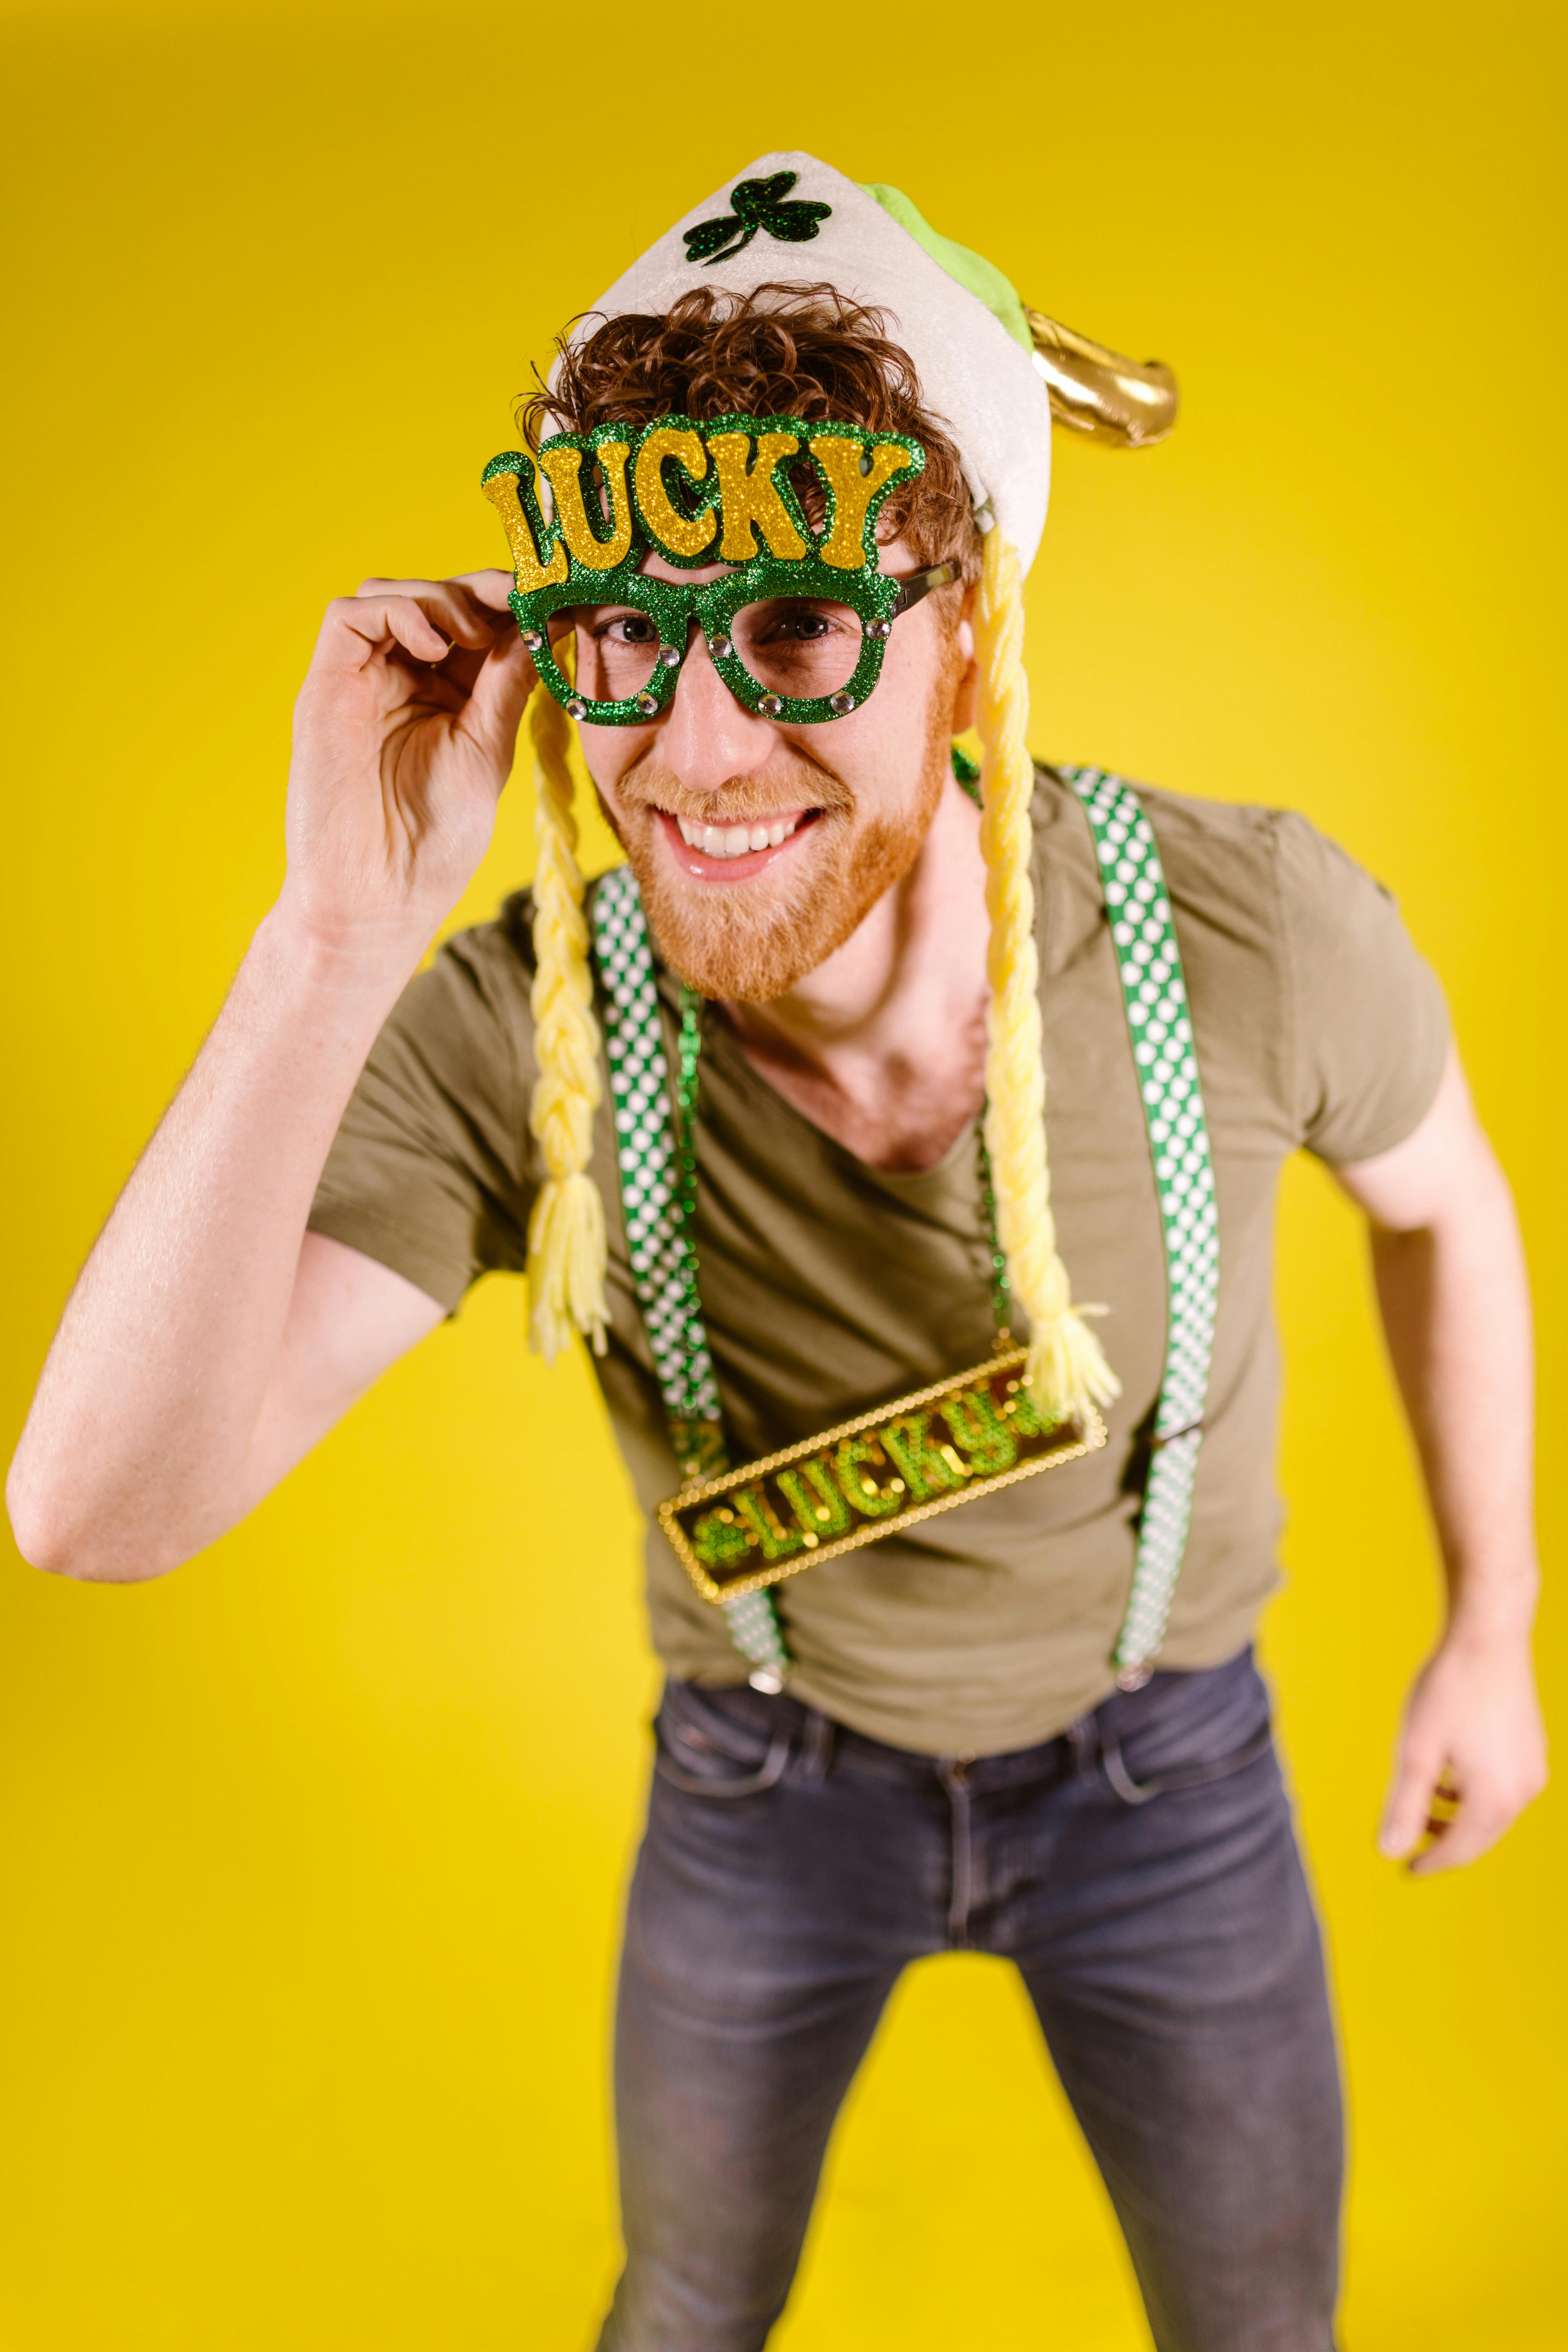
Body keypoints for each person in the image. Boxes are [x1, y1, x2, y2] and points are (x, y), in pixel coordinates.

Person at [6, 154, 1547, 2352]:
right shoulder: (508, 1034)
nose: (699, 753)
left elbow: (1446, 1207)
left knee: (1262, 2330)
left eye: (804, 625)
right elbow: (90, 1508)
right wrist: (333, 933)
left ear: (970, 636)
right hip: (763, 1781)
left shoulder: (1251, 933)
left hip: (1169, 1770)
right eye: (630, 631)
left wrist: (1493, 1626)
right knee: (686, 2316)